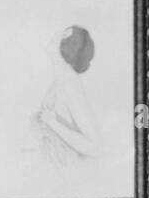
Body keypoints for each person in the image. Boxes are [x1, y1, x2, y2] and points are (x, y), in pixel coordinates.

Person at [33, 25, 102, 168]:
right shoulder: (60, 81)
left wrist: (53, 124)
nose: (55, 34)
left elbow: (95, 148)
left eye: (62, 34)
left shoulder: (70, 85)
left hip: (61, 172)